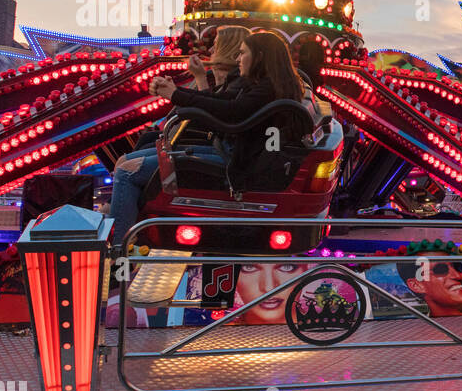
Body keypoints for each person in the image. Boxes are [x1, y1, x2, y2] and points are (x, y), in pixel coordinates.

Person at [109, 31, 311, 248]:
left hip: (235, 164)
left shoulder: (267, 89)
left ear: (259, 57)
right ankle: (127, 234)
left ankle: (118, 254)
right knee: (127, 165)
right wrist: (176, 92)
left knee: (126, 172)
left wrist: (176, 95)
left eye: (243, 53)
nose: (237, 59)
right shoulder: (265, 85)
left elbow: (230, 110)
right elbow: (220, 100)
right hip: (230, 153)